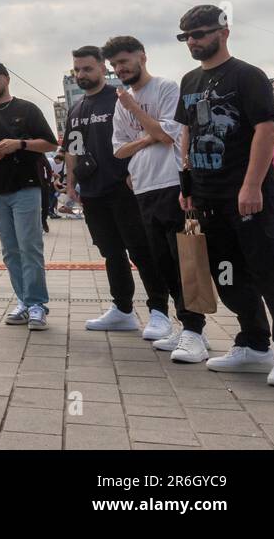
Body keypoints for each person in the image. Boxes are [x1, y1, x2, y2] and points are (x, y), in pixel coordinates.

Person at [172, 6, 274, 381]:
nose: (194, 42)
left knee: (267, 269)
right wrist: (187, 186)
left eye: (200, 33)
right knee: (227, 273)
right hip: (206, 196)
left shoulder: (248, 76)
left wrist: (251, 185)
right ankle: (253, 343)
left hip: (246, 193)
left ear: (223, 31)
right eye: (186, 37)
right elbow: (186, 133)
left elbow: (266, 129)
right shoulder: (189, 80)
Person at [105, 35, 209, 363]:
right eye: (114, 65)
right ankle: (185, 325)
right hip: (144, 189)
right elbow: (118, 150)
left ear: (142, 57)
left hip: (175, 185)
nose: (119, 69)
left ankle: (196, 330)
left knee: (188, 261)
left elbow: (168, 135)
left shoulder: (165, 88)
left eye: (124, 61)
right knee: (162, 262)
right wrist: (146, 137)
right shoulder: (120, 104)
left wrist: (135, 111)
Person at [65, 46, 170, 338]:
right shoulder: (75, 110)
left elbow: (141, 136)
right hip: (93, 193)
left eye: (87, 68)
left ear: (103, 68)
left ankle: (159, 311)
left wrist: (134, 172)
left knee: (142, 250)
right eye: (77, 70)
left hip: (124, 189)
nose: (81, 75)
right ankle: (122, 309)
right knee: (111, 253)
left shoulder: (119, 99)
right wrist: (71, 183)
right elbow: (73, 148)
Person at [0, 61, 59, 330]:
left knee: (29, 247)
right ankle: (23, 300)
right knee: (10, 250)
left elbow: (51, 143)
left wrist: (18, 144)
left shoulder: (27, 109)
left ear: (6, 79)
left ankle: (36, 304)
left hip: (26, 186)